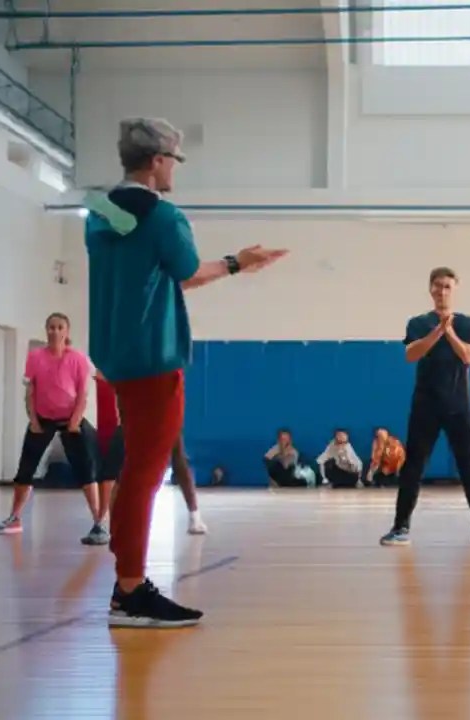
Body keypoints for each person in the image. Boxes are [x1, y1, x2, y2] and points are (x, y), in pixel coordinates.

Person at [85, 116, 286, 628]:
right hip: (154, 360)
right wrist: (239, 263)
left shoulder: (100, 212)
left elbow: (148, 273)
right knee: (144, 473)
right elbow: (188, 272)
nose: (176, 169)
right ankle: (130, 590)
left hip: (114, 358)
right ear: (157, 162)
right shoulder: (164, 217)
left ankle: (128, 583)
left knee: (136, 468)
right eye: (173, 159)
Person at [380, 267, 470, 546]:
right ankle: (400, 527)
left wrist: (450, 332)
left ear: (454, 289)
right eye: (438, 286)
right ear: (430, 289)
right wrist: (436, 332)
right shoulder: (417, 323)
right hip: (425, 406)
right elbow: (411, 354)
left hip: (459, 406)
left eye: (447, 287)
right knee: (413, 468)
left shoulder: (468, 324)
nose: (442, 291)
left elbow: (469, 358)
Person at [0, 313, 98, 536]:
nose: (55, 331)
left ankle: (98, 522)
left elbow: (82, 394)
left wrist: (75, 422)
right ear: (46, 330)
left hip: (71, 419)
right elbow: (30, 391)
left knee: (86, 470)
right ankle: (15, 518)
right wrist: (33, 420)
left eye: (60, 327)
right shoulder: (35, 357)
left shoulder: (78, 359)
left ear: (66, 332)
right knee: (25, 470)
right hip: (43, 418)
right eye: (51, 327)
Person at [86, 372, 207, 546]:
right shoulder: (133, 368)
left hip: (160, 413)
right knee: (123, 470)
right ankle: (112, 525)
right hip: (138, 418)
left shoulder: (163, 369)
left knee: (177, 458)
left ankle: (194, 515)